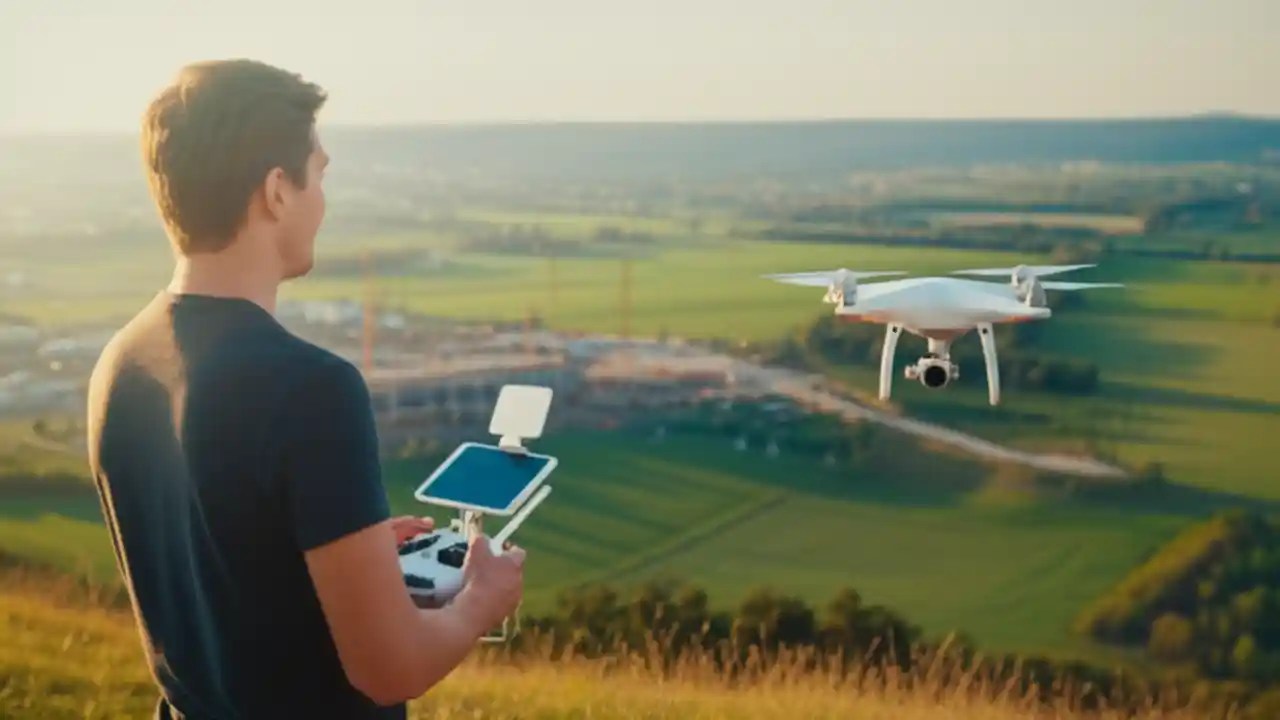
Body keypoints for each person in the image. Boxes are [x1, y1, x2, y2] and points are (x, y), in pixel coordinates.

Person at [85, 59, 524, 719]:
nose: (322, 199)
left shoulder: (119, 363)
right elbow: (392, 669)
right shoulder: (312, 390)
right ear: (276, 192)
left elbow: (220, 573)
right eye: (318, 175)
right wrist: (483, 601)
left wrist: (348, 553)